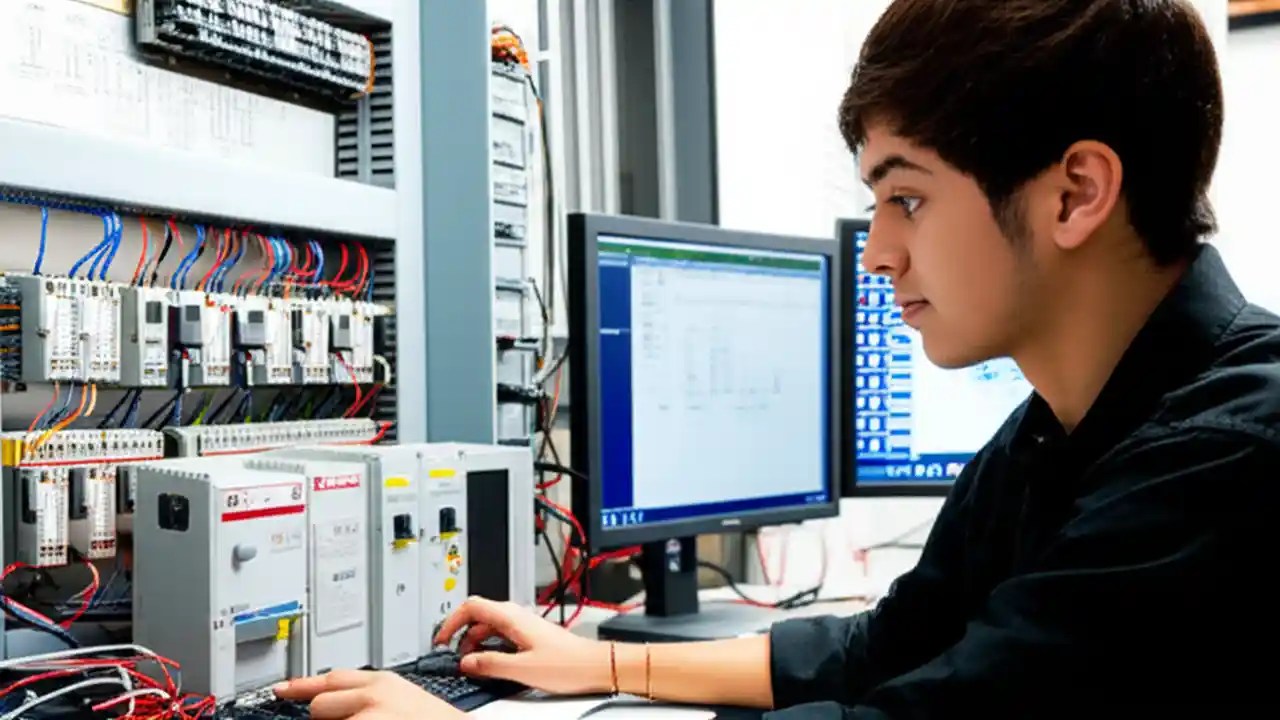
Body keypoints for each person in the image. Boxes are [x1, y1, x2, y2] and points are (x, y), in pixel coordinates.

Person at [274, 0, 1280, 716]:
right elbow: (877, 653)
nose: (879, 251)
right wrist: (600, 666)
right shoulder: (1052, 435)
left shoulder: (1231, 457)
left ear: (1073, 193)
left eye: (908, 197)